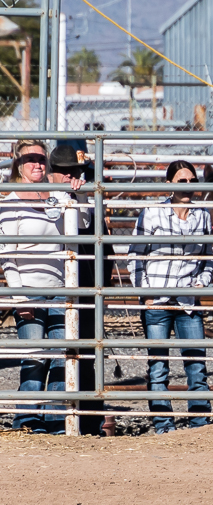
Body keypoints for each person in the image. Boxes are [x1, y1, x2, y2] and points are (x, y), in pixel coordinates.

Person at [128, 160, 213, 434]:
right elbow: (135, 255)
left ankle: (199, 425)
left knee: (196, 365)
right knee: (158, 367)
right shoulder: (152, 213)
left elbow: (208, 258)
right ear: (170, 184)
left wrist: (201, 282)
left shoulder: (202, 215)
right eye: (182, 181)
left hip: (188, 300)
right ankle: (164, 426)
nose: (187, 186)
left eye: (191, 182)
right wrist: (145, 293)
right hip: (158, 299)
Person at [0, 140, 79, 434]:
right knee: (34, 355)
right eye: (30, 158)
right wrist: (19, 296)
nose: (37, 164)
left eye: (42, 159)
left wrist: (76, 192)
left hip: (59, 287)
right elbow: (7, 255)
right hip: (29, 287)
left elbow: (80, 223)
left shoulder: (56, 196)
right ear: (18, 163)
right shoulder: (9, 201)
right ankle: (28, 420)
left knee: (60, 355)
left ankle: (57, 420)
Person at [48, 145, 106, 435]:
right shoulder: (42, 193)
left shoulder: (80, 194)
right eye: (68, 172)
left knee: (74, 349)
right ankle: (45, 418)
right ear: (54, 173)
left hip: (75, 281)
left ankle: (73, 419)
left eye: (76, 171)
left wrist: (80, 193)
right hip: (50, 278)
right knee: (46, 353)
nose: (73, 176)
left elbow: (83, 222)